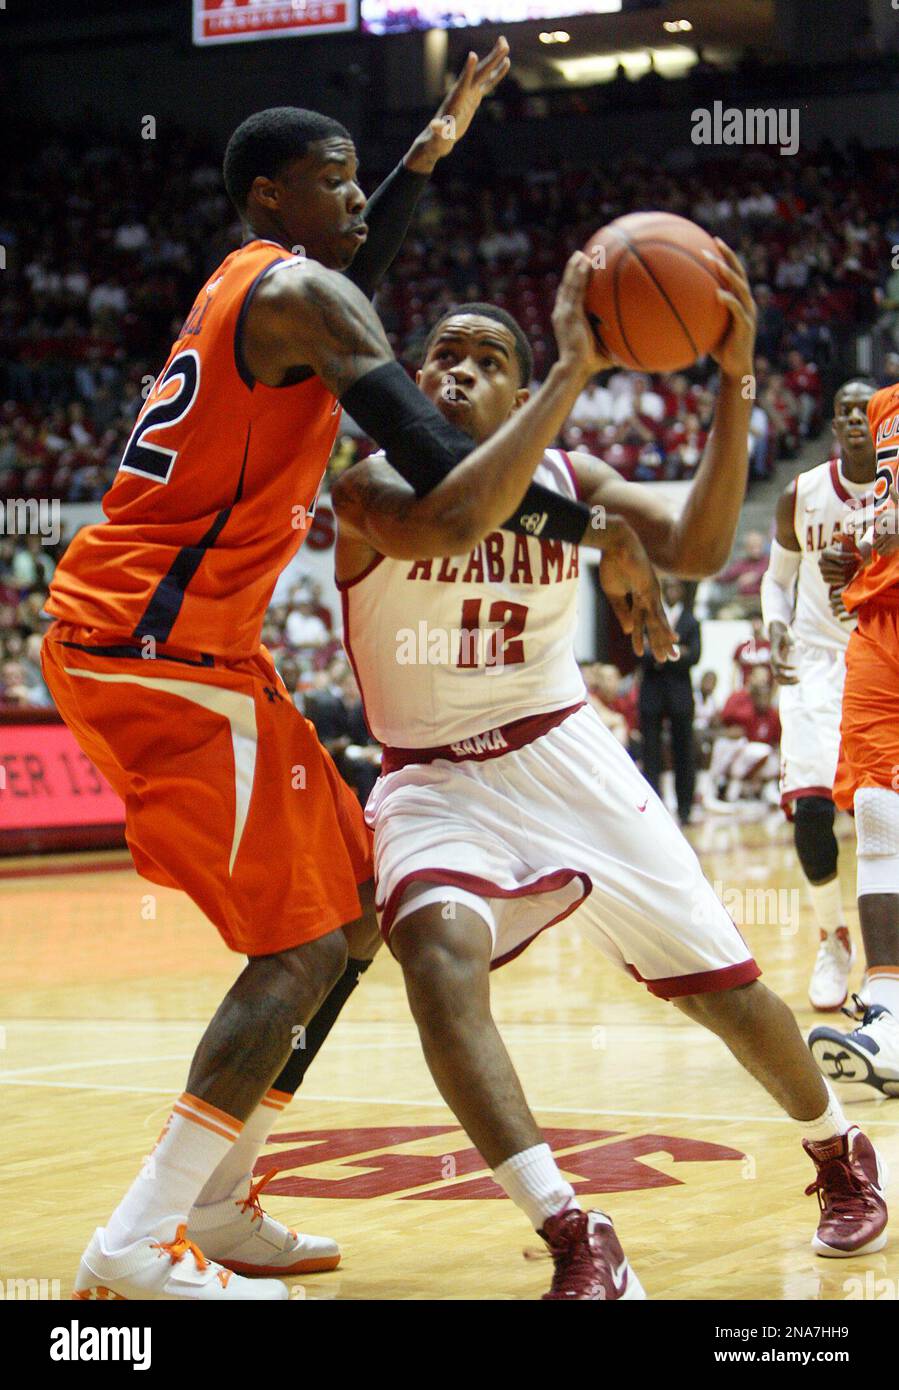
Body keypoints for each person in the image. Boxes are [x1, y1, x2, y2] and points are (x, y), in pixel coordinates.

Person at [40, 48, 632, 1302]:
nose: (357, 200)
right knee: (304, 946)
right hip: (152, 649)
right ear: (268, 197)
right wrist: (598, 523)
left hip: (196, 648)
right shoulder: (304, 298)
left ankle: (217, 1198)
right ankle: (135, 1244)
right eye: (333, 180)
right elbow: (434, 468)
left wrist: (429, 148)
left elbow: (355, 273)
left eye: (362, 179)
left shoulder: (265, 286)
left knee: (356, 907)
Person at [330, 264, 888, 1300]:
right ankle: (572, 1230)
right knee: (434, 958)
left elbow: (704, 544)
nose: (457, 371)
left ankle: (837, 1147)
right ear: (408, 384)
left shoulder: (577, 481)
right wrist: (578, 392)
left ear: (517, 392)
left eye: (489, 360)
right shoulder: (364, 485)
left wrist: (735, 382)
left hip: (565, 756)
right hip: (431, 782)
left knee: (723, 992)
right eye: (441, 356)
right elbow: (452, 520)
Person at [761, 380, 876, 1010]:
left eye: (866, 409)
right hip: (814, 662)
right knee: (811, 811)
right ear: (833, 423)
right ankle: (832, 936)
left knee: (881, 814)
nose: (855, 418)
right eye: (845, 410)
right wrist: (775, 630)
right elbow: (776, 583)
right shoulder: (800, 493)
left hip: (881, 655)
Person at [808, 377, 899, 1096]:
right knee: (873, 809)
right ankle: (890, 1015)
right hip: (878, 618)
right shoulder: (882, 405)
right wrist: (864, 560)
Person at [638, 575, 701, 825]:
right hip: (652, 692)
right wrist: (676, 652)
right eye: (669, 587)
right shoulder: (649, 616)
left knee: (684, 751)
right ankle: (653, 809)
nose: (673, 591)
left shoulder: (691, 621)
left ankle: (685, 808)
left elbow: (694, 655)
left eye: (677, 587)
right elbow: (640, 651)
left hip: (680, 695)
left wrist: (661, 651)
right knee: (650, 752)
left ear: (683, 591)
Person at [707, 667, 782, 811]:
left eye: (765, 679)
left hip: (757, 755)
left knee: (773, 755)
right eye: (759, 678)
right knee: (731, 744)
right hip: (737, 750)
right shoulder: (739, 700)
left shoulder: (772, 714)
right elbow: (722, 722)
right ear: (750, 678)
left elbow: (777, 741)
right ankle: (715, 790)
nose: (762, 681)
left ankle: (766, 790)